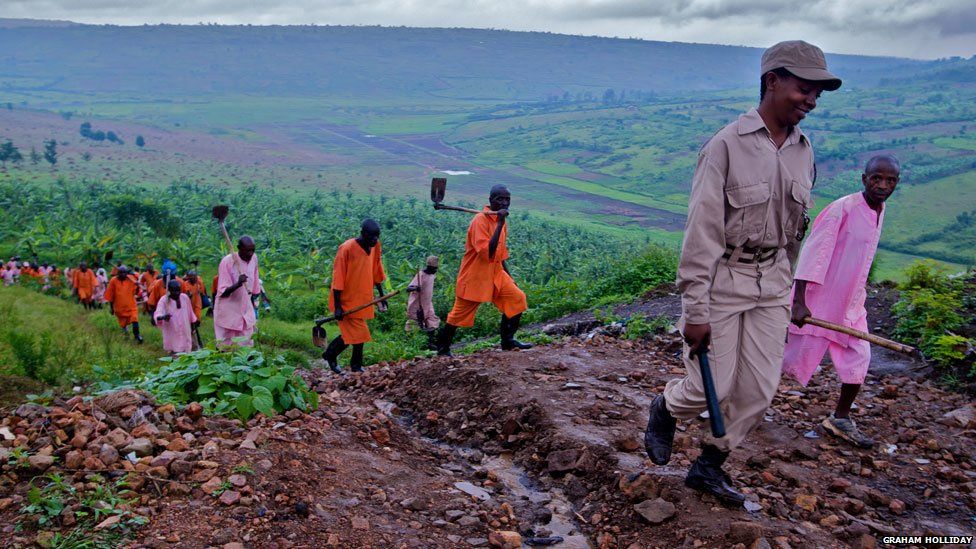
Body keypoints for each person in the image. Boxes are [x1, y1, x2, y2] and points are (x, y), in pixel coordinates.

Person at [643, 40, 841, 506]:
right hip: (724, 281)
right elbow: (702, 234)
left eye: (818, 93)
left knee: (758, 390)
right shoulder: (724, 147)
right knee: (708, 385)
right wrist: (696, 308)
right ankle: (665, 407)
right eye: (804, 89)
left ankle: (708, 465)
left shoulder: (802, 150)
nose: (811, 100)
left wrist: (791, 291)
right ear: (772, 81)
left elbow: (794, 232)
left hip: (771, 281)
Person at [783, 155, 900, 449]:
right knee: (780, 357)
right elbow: (813, 252)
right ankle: (729, 401)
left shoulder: (879, 210)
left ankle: (840, 418)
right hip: (818, 301)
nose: (882, 185)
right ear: (864, 179)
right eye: (876, 178)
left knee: (860, 356)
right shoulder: (843, 209)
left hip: (850, 304)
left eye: (890, 180)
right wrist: (798, 301)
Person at [437, 185, 531, 356]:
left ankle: (507, 341)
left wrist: (509, 277)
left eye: (507, 199)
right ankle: (443, 349)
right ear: (490, 201)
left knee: (517, 298)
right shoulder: (480, 220)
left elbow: (500, 255)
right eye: (500, 199)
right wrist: (500, 222)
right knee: (458, 315)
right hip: (475, 276)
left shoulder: (500, 220)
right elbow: (488, 253)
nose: (504, 202)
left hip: (496, 274)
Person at [322, 219, 388, 375]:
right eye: (372, 237)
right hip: (345, 301)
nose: (375, 240)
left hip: (362, 299)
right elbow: (337, 279)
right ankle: (354, 365)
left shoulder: (375, 246)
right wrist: (338, 307)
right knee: (360, 334)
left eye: (377, 237)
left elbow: (376, 271)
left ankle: (331, 355)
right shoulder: (346, 249)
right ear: (363, 233)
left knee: (353, 334)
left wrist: (381, 296)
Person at [214, 236, 261, 347]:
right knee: (225, 346)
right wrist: (238, 284)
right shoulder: (228, 262)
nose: (250, 253)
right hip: (228, 311)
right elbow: (223, 292)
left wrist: (255, 302)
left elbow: (255, 287)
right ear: (239, 248)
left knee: (247, 345)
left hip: (245, 308)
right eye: (247, 250)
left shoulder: (254, 258)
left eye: (252, 250)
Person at [406, 255, 441, 350]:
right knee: (414, 322)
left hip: (428, 303)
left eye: (436, 268)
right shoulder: (421, 274)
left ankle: (430, 343)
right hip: (417, 303)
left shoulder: (433, 275)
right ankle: (411, 344)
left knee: (432, 321)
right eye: (434, 268)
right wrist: (416, 288)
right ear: (429, 267)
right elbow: (408, 288)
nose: (435, 270)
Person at [154, 279, 197, 355]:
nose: (177, 293)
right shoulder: (164, 300)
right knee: (175, 354)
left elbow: (190, 314)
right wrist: (163, 317)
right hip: (172, 332)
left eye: (178, 290)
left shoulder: (185, 298)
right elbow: (158, 314)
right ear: (169, 290)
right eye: (174, 291)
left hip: (185, 331)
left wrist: (193, 329)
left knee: (188, 353)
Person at [104, 266, 143, 343]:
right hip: (119, 307)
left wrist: (137, 282)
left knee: (135, 319)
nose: (122, 274)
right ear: (117, 273)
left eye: (124, 272)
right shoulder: (113, 281)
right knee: (123, 323)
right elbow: (110, 295)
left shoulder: (131, 279)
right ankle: (126, 333)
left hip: (131, 305)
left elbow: (137, 289)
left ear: (127, 273)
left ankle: (137, 335)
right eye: (120, 272)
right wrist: (111, 308)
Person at [181, 270, 208, 349]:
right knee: (192, 326)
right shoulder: (185, 285)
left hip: (197, 306)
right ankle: (195, 342)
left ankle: (197, 342)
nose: (193, 279)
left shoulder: (198, 283)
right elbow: (183, 295)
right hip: (189, 307)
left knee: (196, 323)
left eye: (194, 277)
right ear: (188, 278)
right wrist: (188, 295)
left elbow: (203, 291)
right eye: (191, 277)